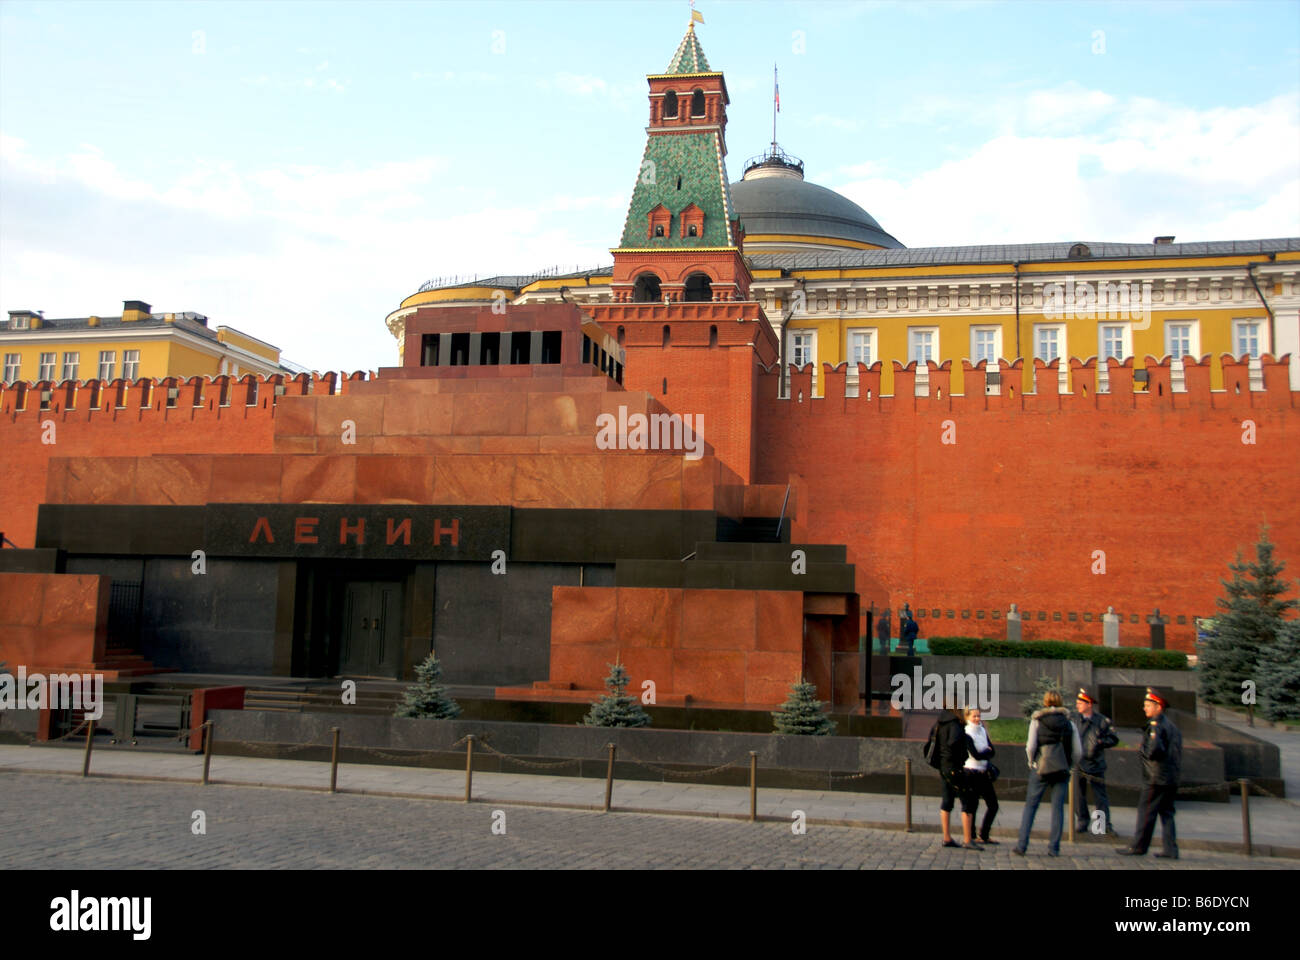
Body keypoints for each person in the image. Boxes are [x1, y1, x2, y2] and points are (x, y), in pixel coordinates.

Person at [1014, 690, 1082, 857]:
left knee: (1031, 806)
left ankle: (1022, 845)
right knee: (1058, 808)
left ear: (1045, 702)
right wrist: (1070, 764)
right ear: (1060, 702)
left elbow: (1030, 746)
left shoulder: (1037, 721)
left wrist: (1032, 762)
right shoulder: (1069, 723)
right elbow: (1078, 750)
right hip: (1062, 768)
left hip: (1041, 767)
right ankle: (1054, 848)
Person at [1118, 688, 1182, 859]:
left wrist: (1143, 751)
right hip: (1171, 777)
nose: (1144, 708)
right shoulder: (1172, 726)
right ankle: (1170, 849)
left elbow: (1154, 751)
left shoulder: (1156, 725)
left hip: (1155, 777)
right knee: (1167, 813)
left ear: (1158, 707)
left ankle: (1138, 846)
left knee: (1146, 812)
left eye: (1147, 705)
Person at [925, 699, 980, 850]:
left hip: (943, 766)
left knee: (947, 800)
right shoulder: (955, 724)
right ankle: (968, 839)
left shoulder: (939, 722)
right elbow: (954, 742)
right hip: (954, 766)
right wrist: (962, 756)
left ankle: (946, 837)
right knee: (967, 800)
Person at [1071, 687, 1119, 835]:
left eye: (1081, 702)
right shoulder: (1075, 719)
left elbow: (1113, 739)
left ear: (1089, 704)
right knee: (1079, 795)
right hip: (1079, 763)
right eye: (1078, 702)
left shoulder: (1102, 721)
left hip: (1095, 764)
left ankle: (1102, 824)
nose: (1078, 704)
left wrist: (1100, 742)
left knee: (1100, 796)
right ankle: (1082, 821)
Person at [962, 706, 999, 844]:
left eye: (979, 716)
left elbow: (992, 751)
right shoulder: (966, 732)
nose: (977, 719)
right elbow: (975, 754)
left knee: (993, 805)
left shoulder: (982, 730)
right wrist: (986, 752)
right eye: (974, 716)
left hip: (983, 772)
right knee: (972, 805)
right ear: (967, 717)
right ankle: (971, 835)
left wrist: (985, 752)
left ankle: (984, 834)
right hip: (971, 772)